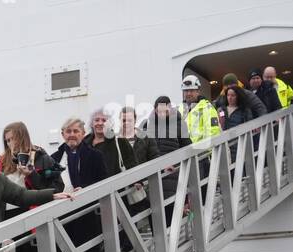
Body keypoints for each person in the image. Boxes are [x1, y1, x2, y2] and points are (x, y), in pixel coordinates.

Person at [0, 121, 64, 252]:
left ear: (23, 136)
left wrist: (31, 175)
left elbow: (55, 188)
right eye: (7, 140)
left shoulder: (40, 156)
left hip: (32, 217)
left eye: (13, 139)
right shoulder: (2, 162)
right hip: (8, 221)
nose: (11, 144)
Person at [51, 117, 108, 252]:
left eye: (76, 131)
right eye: (68, 131)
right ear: (62, 135)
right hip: (64, 219)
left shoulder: (96, 156)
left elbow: (103, 181)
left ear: (83, 134)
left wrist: (86, 189)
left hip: (88, 216)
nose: (72, 135)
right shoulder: (53, 159)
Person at [138, 95, 190, 224]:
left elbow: (189, 150)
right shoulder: (147, 126)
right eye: (159, 110)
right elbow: (141, 154)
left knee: (173, 217)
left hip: (174, 176)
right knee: (156, 218)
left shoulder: (179, 125)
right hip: (154, 178)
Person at [88, 107, 138, 178]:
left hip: (117, 186)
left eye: (104, 120)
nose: (100, 123)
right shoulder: (85, 144)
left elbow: (131, 163)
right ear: (91, 123)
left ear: (110, 123)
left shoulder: (120, 141)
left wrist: (137, 181)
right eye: (96, 120)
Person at [182, 74, 222, 147]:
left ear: (198, 91)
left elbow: (213, 134)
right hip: (183, 155)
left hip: (201, 155)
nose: (188, 93)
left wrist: (204, 154)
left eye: (191, 90)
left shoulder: (207, 108)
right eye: (186, 91)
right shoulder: (179, 109)